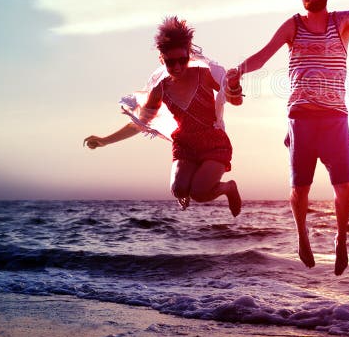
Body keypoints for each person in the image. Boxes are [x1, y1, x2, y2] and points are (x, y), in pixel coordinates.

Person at [225, 0, 349, 275]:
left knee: (344, 186)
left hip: (335, 116)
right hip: (301, 117)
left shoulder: (343, 21)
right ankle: (301, 235)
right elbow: (262, 56)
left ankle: (341, 238)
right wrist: (239, 70)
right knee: (300, 187)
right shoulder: (292, 25)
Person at [84, 16, 242, 217]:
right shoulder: (160, 89)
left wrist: (234, 87)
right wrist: (105, 141)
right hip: (185, 144)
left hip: (213, 143)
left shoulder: (204, 75)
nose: (177, 67)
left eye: (182, 60)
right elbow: (139, 124)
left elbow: (235, 100)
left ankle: (228, 188)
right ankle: (187, 184)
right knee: (178, 189)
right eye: (170, 62)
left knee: (200, 193)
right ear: (162, 59)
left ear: (189, 55)